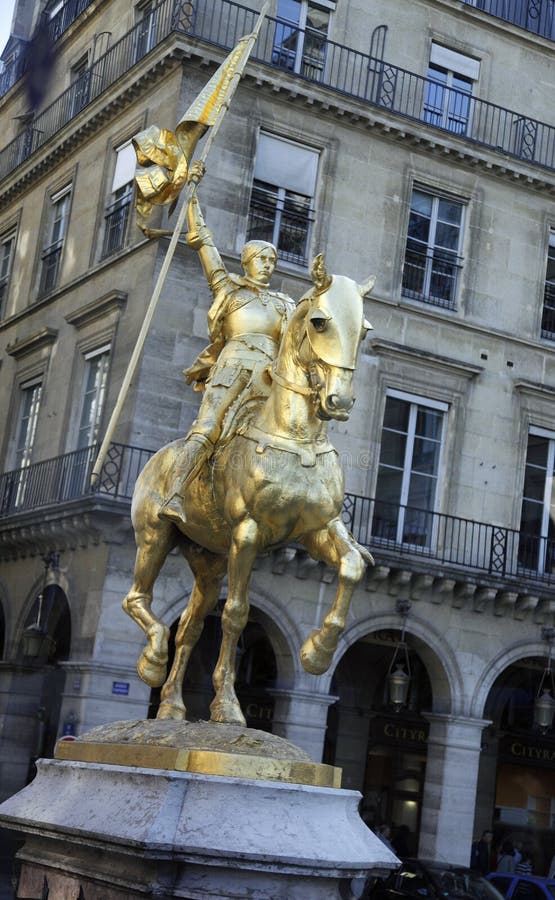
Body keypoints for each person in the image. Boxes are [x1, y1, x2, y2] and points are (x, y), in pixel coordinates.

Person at [159, 163, 296, 526]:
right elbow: (203, 240)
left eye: (272, 260)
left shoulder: (285, 304)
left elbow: (296, 345)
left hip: (270, 375)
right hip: (232, 368)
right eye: (260, 259)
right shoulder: (229, 289)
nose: (267, 265)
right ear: (247, 262)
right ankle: (174, 491)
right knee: (207, 427)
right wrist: (191, 194)